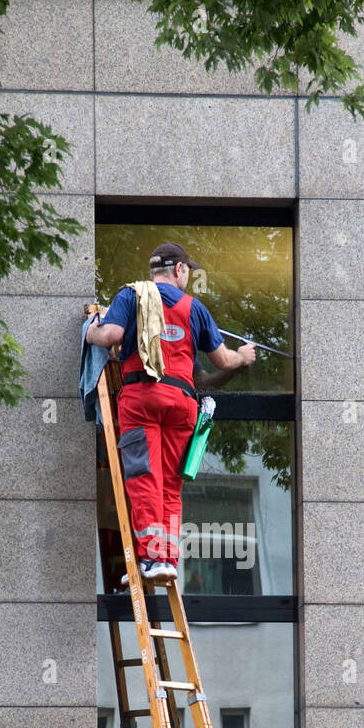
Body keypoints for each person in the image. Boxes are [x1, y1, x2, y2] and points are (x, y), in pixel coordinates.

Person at [87, 241, 256, 580]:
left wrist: (91, 329)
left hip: (142, 398)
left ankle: (150, 559)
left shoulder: (131, 296)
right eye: (188, 272)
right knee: (170, 486)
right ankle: (167, 560)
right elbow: (223, 360)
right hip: (182, 405)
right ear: (179, 270)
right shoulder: (195, 308)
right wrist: (245, 356)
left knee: (144, 478)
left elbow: (111, 336)